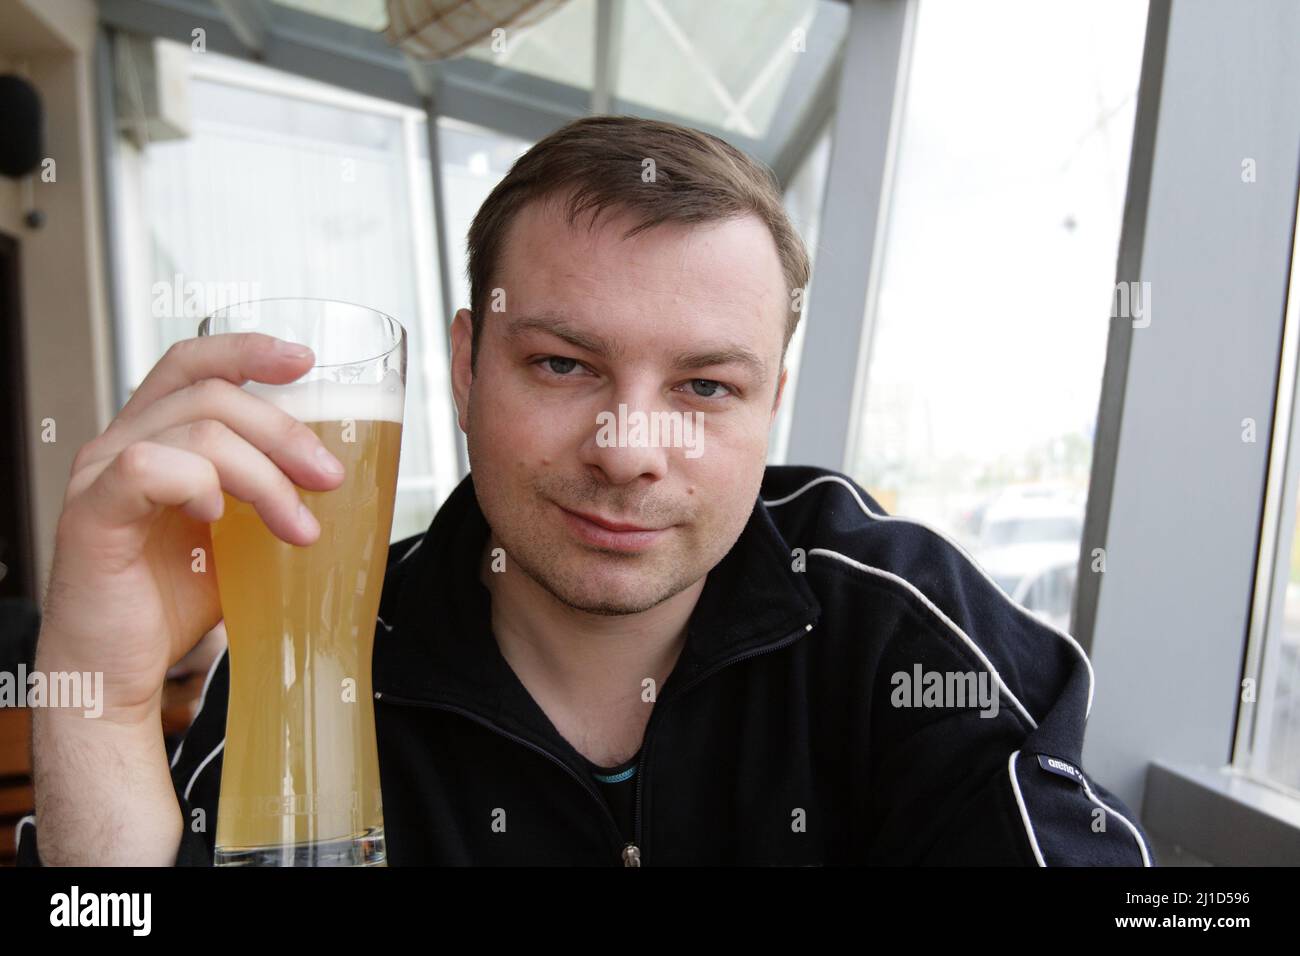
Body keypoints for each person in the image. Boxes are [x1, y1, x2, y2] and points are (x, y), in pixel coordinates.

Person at [17, 115, 1153, 866]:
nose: (628, 446)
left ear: (772, 404)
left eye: (706, 385)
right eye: (562, 363)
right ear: (465, 368)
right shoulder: (322, 657)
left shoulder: (890, 618)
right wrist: (101, 701)